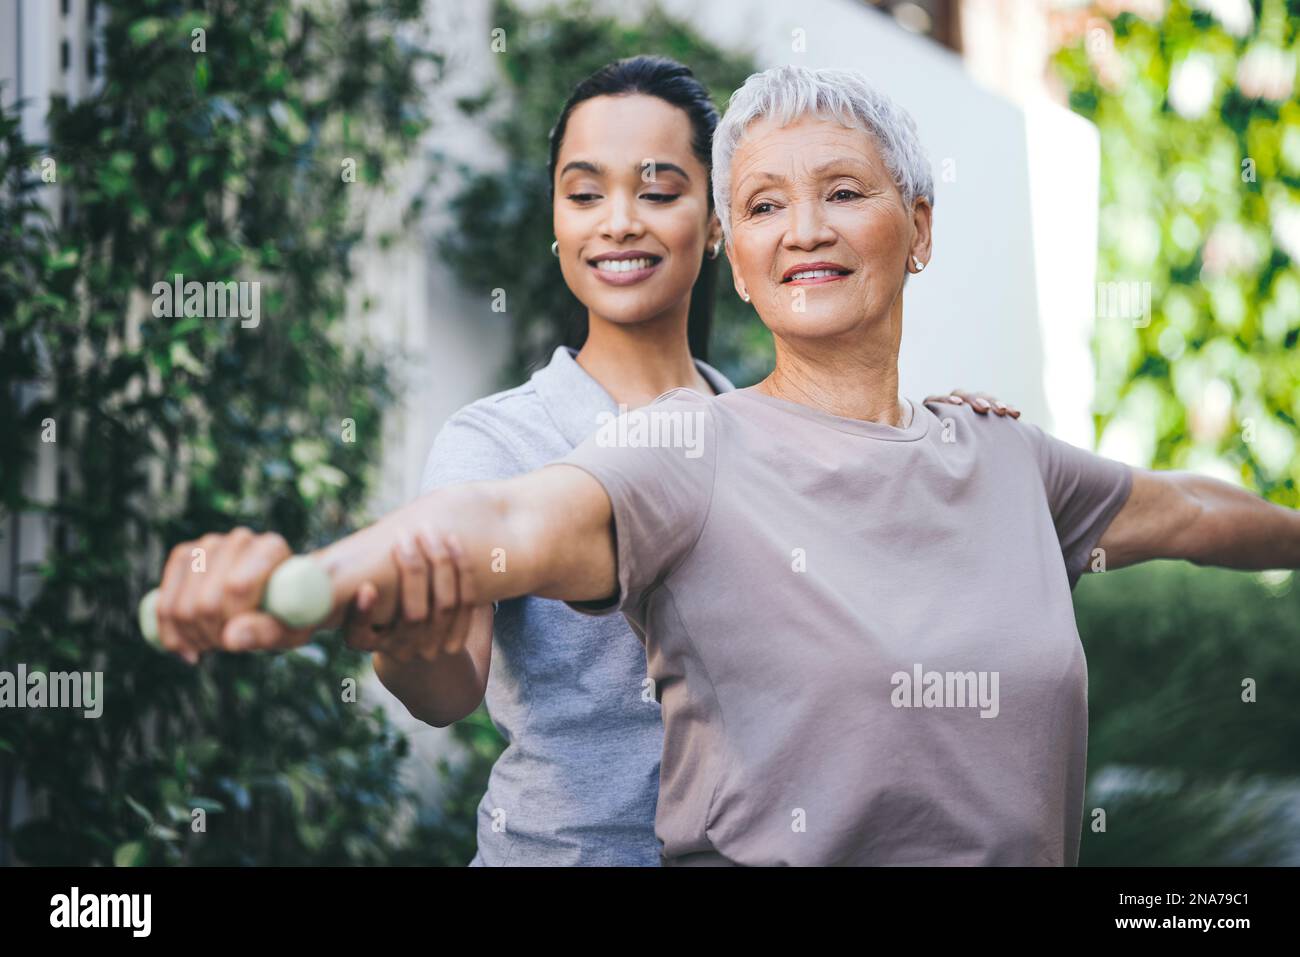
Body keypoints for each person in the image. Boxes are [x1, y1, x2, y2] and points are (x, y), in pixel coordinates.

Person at [164, 66, 1289, 867]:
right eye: (768, 204)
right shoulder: (649, 443)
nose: (804, 229)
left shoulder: (968, 448)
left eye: (843, 193)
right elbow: (480, 531)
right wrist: (315, 583)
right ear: (742, 256)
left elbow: (1191, 510)